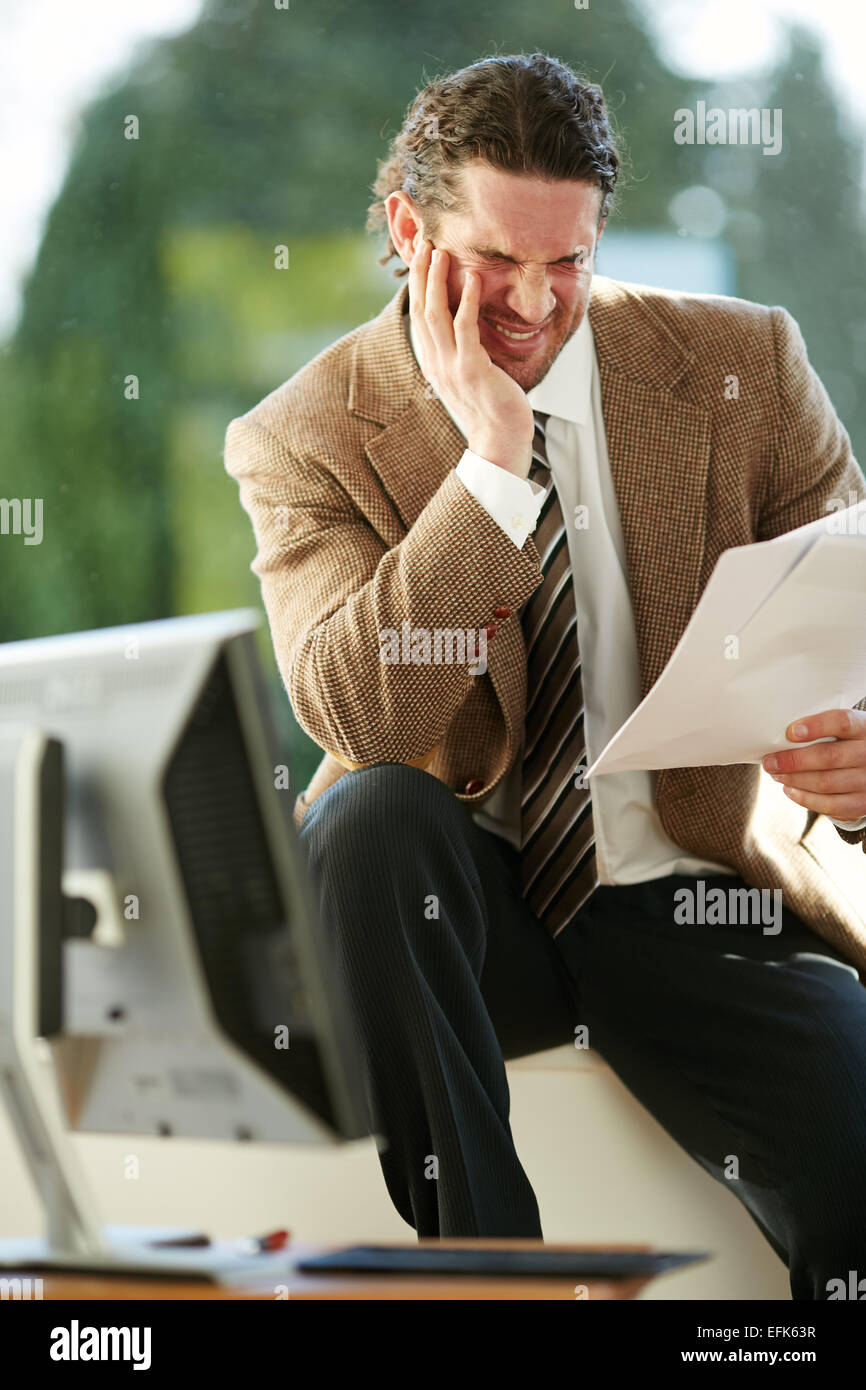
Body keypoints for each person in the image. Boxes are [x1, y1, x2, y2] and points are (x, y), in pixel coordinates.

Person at [224, 52, 866, 1299]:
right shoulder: (303, 434)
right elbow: (357, 708)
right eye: (493, 260)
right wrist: (492, 472)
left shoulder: (744, 366)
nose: (530, 301)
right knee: (373, 808)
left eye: (564, 263)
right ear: (408, 228)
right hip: (458, 919)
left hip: (690, 897)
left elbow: (850, 613)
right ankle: (491, 1284)